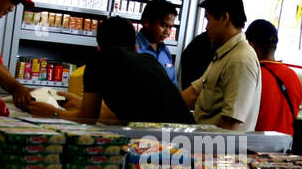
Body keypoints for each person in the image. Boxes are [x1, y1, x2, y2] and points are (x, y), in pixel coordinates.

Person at [28, 16, 191, 124]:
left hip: (160, 145)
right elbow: (121, 114)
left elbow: (88, 118)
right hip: (191, 137)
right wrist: (79, 101)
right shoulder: (150, 61)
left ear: (99, 47)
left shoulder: (99, 60)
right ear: (135, 48)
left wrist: (53, 112)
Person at [181, 0, 260, 132]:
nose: (207, 27)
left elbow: (230, 124)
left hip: (216, 150)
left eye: (209, 19)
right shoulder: (224, 54)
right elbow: (194, 93)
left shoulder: (241, 60)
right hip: (202, 145)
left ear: (225, 18)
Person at [245, 19, 302, 136]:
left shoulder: (252, 76)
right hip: (284, 150)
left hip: (254, 148)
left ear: (250, 45)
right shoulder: (293, 77)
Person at [136, 0, 178, 84]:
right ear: (147, 22)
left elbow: (173, 86)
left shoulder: (165, 52)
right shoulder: (131, 48)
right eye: (163, 25)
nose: (168, 32)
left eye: (170, 27)